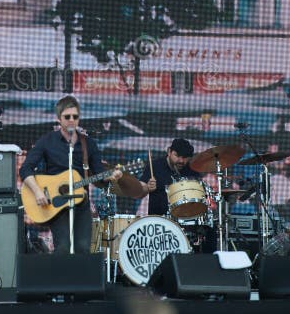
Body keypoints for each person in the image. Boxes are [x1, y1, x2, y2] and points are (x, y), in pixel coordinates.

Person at [19, 96, 121, 254]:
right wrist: (37, 191)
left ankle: (79, 279)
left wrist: (111, 175)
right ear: (59, 118)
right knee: (63, 247)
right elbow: (25, 168)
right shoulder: (47, 141)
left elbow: (99, 173)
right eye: (67, 117)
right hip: (55, 204)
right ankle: (60, 278)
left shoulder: (88, 144)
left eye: (75, 116)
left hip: (81, 203)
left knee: (82, 248)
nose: (72, 120)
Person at [138, 138, 198, 217]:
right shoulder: (155, 166)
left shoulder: (191, 169)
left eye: (185, 157)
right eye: (177, 155)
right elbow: (139, 192)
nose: (181, 161)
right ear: (169, 151)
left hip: (186, 218)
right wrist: (147, 188)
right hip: (159, 220)